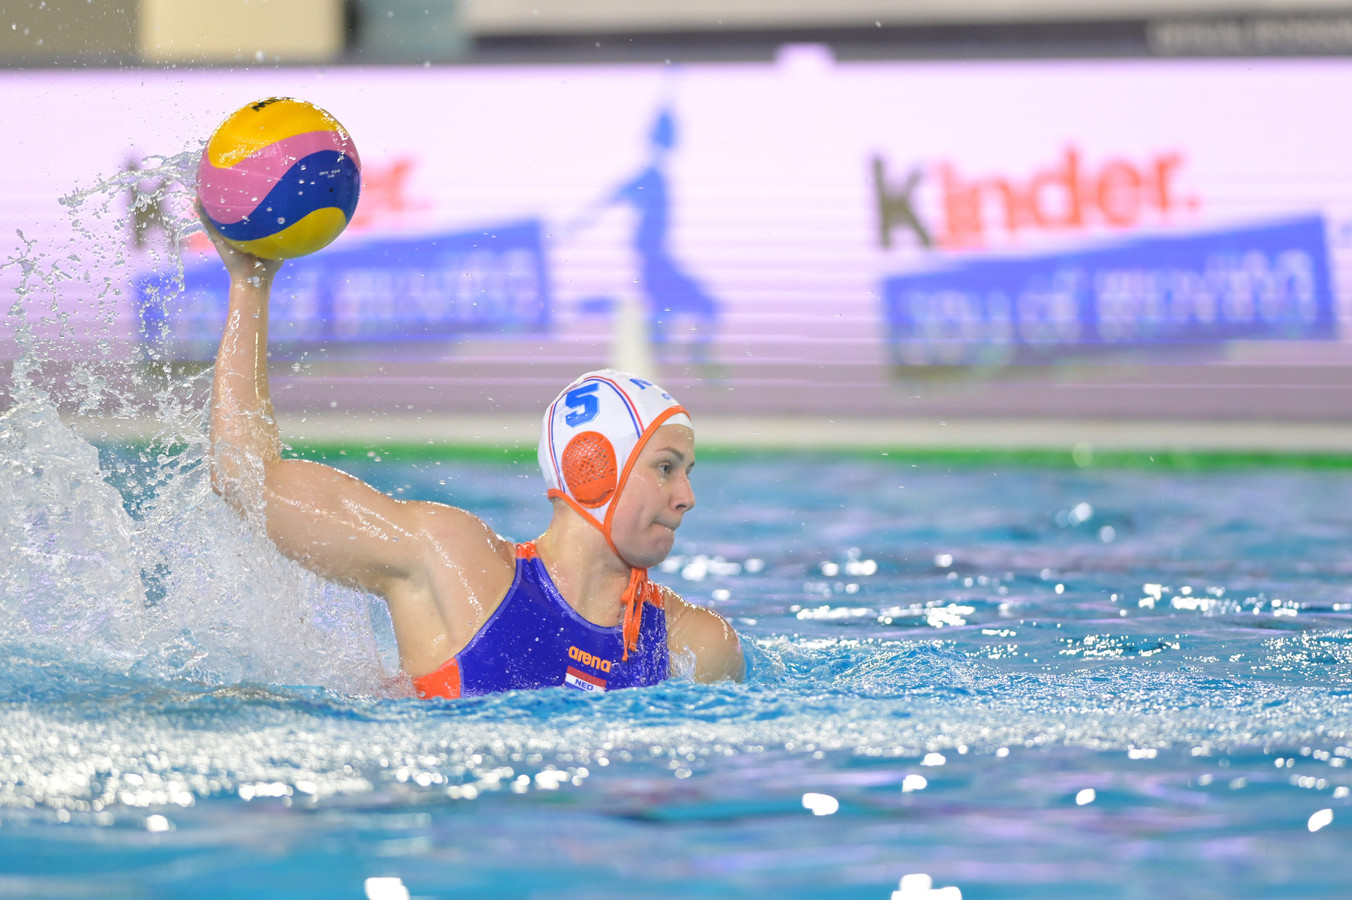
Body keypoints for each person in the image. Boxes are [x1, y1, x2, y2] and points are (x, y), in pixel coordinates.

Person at [201, 216, 745, 698]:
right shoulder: (450, 560)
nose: (686, 499)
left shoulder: (696, 647)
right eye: (666, 468)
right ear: (591, 466)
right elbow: (244, 477)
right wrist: (250, 285)